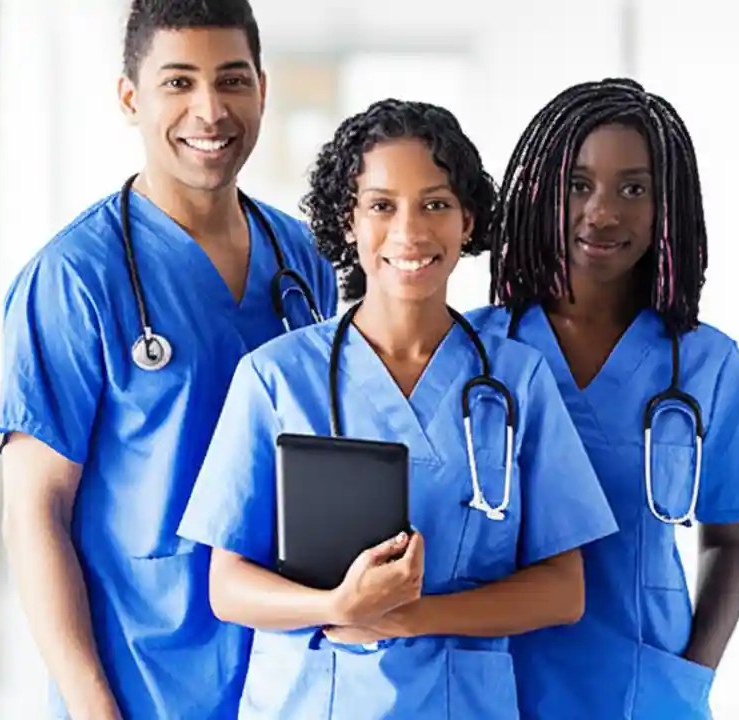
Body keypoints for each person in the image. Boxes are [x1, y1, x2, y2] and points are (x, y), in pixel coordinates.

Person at [177, 99, 618, 719]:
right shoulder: (276, 378)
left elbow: (562, 591)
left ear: (468, 221)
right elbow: (228, 587)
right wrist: (338, 607)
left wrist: (411, 616)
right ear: (347, 221)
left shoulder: (517, 382)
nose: (410, 231)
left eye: (435, 204)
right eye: (381, 205)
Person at [0, 1, 337, 717]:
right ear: (131, 98)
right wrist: (92, 705)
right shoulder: (75, 278)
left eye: (232, 81)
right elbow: (34, 511)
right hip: (141, 677)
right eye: (178, 83)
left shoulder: (301, 261)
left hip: (286, 671)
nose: (210, 111)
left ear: (263, 90)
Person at [468, 78, 739, 718]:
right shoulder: (476, 355)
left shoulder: (704, 364)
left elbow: (727, 542)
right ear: (541, 193)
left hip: (641, 692)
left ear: (666, 205)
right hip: (495, 684)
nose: (603, 212)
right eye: (579, 185)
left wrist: (688, 680)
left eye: (634, 189)